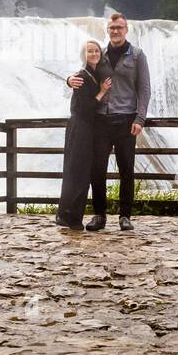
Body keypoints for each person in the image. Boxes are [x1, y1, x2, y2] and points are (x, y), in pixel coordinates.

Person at [67, 12, 151, 231]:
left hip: (126, 120)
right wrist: (69, 80)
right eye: (112, 28)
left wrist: (140, 118)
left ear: (126, 29)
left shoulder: (137, 55)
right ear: (108, 30)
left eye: (119, 28)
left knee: (126, 171)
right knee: (98, 170)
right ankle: (99, 215)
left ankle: (125, 216)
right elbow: (83, 73)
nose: (115, 31)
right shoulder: (99, 54)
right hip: (101, 121)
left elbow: (144, 89)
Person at [55, 40, 112, 230]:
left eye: (97, 51)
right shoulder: (81, 76)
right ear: (84, 55)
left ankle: (72, 216)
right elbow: (85, 108)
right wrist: (102, 92)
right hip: (80, 127)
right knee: (76, 171)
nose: (94, 54)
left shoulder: (93, 73)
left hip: (88, 129)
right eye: (90, 51)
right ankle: (66, 215)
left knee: (82, 171)